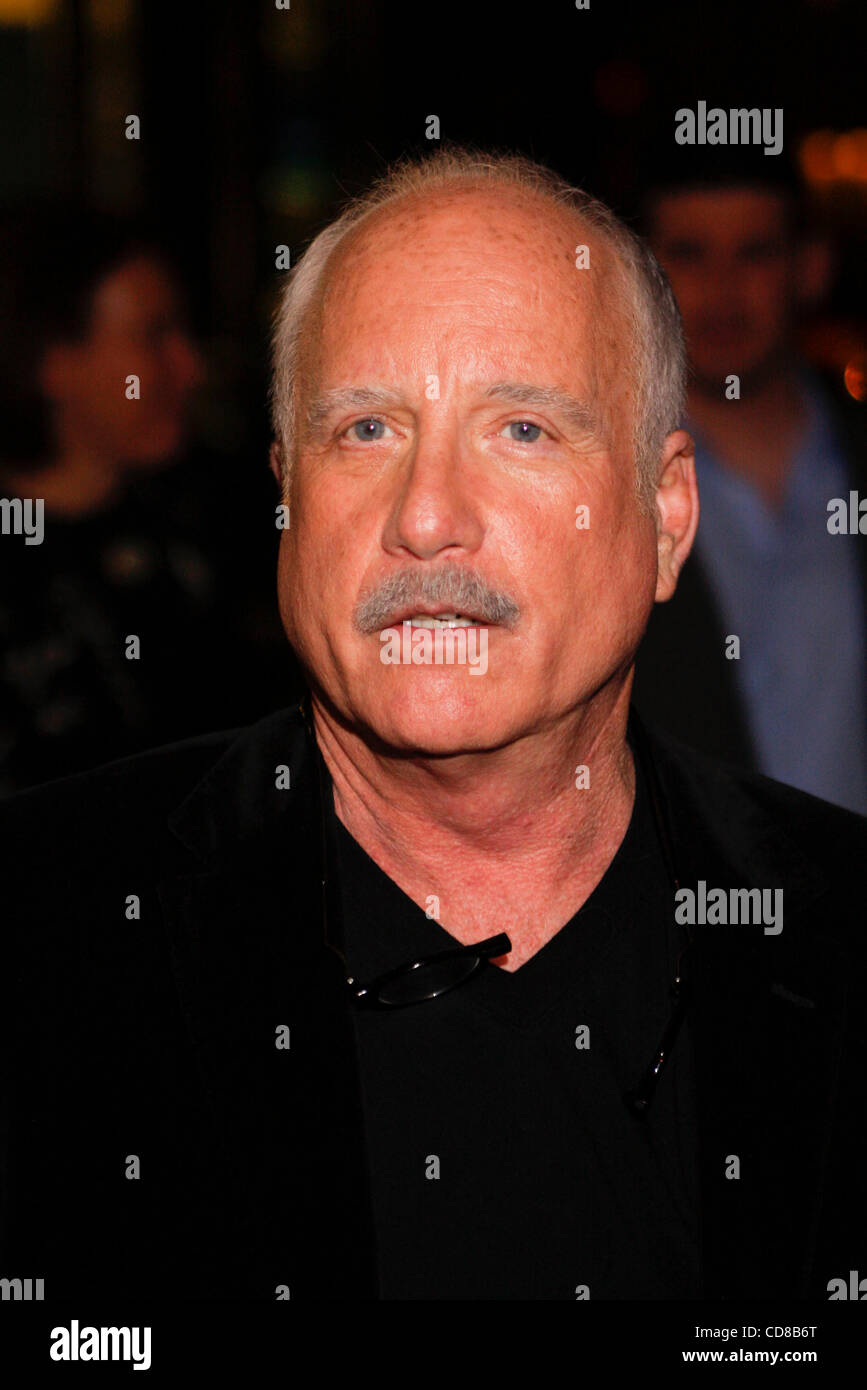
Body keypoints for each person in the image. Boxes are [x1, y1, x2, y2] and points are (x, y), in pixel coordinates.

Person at [1, 148, 865, 1302]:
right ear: (285, 495)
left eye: (522, 430)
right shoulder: (40, 928)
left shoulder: (840, 931)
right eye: (364, 429)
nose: (426, 516)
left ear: (667, 517)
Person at [631, 152, 867, 814]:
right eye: (688, 252)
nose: (721, 287)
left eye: (755, 252)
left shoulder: (854, 458)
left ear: (810, 269)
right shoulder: (601, 486)